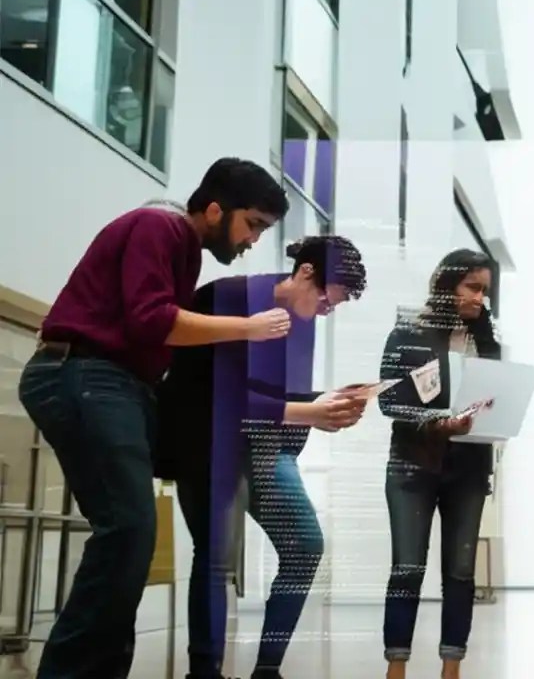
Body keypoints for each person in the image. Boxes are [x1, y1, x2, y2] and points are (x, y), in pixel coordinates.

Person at [16, 158, 291, 679]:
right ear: (215, 208)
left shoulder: (182, 251)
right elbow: (152, 321)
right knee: (129, 531)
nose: (253, 240)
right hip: (86, 373)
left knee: (129, 539)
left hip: (110, 381)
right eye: (252, 223)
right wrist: (247, 328)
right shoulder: (159, 226)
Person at [156, 235, 371, 679]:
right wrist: (308, 412)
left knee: (304, 547)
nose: (334, 307)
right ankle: (204, 672)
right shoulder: (228, 297)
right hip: (209, 442)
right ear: (308, 272)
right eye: (335, 296)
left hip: (266, 447)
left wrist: (323, 404)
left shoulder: (304, 320)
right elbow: (213, 395)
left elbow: (277, 397)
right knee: (216, 557)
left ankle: (267, 669)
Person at [379, 249, 502, 679]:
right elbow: (389, 400)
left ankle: (452, 666)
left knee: (461, 571)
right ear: (447, 284)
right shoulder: (407, 333)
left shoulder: (487, 340)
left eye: (484, 290)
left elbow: (497, 399)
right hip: (412, 466)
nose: (479, 298)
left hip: (468, 468)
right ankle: (397, 665)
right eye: (472, 287)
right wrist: (436, 421)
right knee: (407, 568)